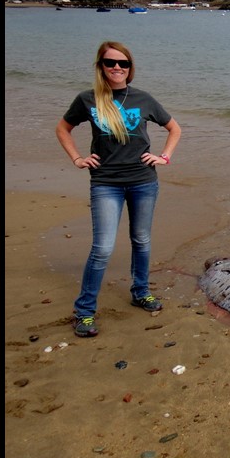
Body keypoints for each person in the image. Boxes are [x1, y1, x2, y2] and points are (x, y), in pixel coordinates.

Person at [55, 40, 182, 338]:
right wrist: (77, 157)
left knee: (141, 239)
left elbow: (174, 128)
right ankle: (84, 312)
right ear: (100, 66)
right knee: (102, 248)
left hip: (143, 180)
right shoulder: (88, 99)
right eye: (110, 63)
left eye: (122, 63)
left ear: (130, 68)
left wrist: (164, 156)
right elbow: (63, 128)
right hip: (105, 183)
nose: (116, 68)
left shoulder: (143, 98)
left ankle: (141, 292)